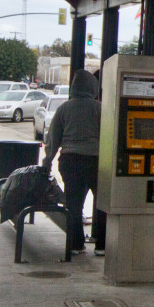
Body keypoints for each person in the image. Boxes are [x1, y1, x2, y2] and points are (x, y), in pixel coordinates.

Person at [41, 69, 102, 255]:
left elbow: (53, 139)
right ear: (93, 88)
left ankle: (75, 244)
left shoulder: (64, 108)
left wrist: (47, 161)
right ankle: (102, 245)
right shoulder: (100, 108)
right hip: (95, 161)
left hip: (69, 161)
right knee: (101, 202)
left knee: (73, 204)